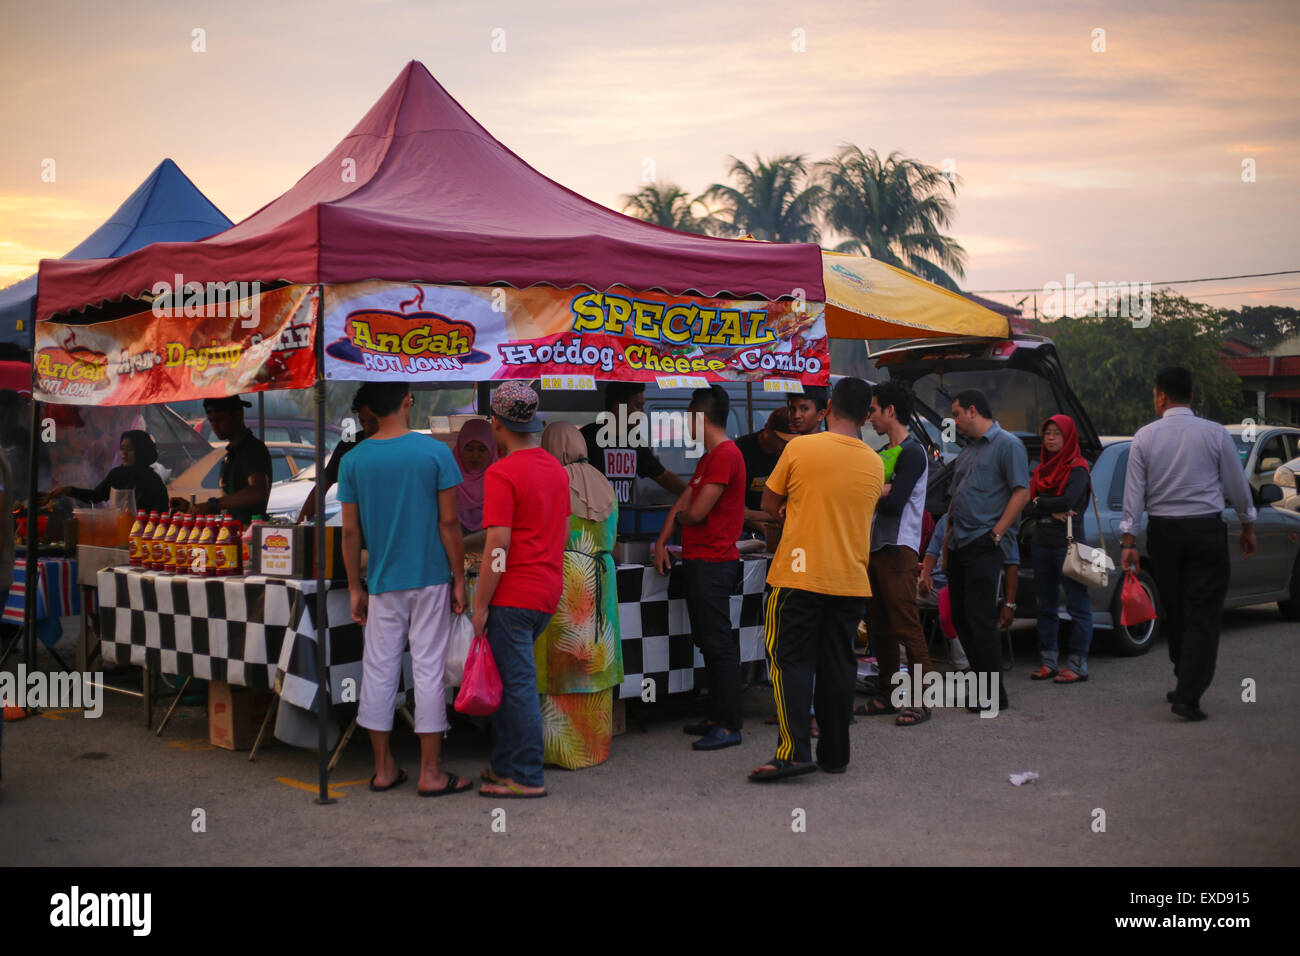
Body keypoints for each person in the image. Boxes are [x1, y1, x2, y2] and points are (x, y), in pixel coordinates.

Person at [338, 382, 471, 797]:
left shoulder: (354, 459)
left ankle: (383, 769)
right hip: (430, 576)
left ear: (370, 411)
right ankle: (431, 772)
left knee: (378, 669)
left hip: (381, 581)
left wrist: (354, 587)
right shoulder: (434, 454)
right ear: (407, 400)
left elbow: (349, 532)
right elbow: (449, 524)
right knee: (429, 669)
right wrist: (460, 577)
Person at [750, 377, 883, 781]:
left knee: (789, 659)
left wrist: (793, 510)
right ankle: (835, 755)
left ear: (826, 410)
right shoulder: (875, 463)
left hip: (798, 576)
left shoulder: (800, 448)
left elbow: (769, 505)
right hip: (849, 580)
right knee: (838, 665)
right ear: (865, 416)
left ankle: (793, 753)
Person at [1119, 367, 1256, 721]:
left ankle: (1185, 680)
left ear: (1161, 396)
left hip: (1164, 535)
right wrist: (1247, 524)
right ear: (1191, 397)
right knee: (1203, 613)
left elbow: (1134, 493)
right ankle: (1188, 693)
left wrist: (1128, 541)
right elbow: (1236, 485)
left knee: (1177, 610)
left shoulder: (1144, 437)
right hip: (1205, 532)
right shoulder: (1214, 434)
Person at [474, 382, 571, 798]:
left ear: (496, 424)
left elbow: (498, 544)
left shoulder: (502, 472)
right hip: (547, 591)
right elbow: (562, 533)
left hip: (513, 595)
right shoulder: (555, 468)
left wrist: (480, 602)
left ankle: (527, 776)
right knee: (515, 681)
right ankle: (504, 767)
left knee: (516, 686)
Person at [653, 386, 747, 751]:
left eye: (688, 416)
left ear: (701, 418)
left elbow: (695, 511)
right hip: (697, 560)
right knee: (708, 642)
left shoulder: (726, 455)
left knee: (719, 643)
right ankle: (716, 714)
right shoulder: (709, 457)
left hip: (714, 563)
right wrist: (662, 540)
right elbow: (684, 501)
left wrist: (679, 521)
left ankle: (729, 724)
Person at [536, 422, 622, 769]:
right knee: (595, 660)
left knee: (564, 664)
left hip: (566, 581)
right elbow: (613, 538)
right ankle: (594, 747)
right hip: (601, 577)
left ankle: (560, 751)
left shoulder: (553, 481)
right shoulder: (604, 483)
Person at [943, 389, 1030, 713]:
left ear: (973, 411)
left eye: (956, 413)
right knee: (961, 618)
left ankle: (993, 694)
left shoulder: (1008, 445)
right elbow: (955, 499)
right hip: (959, 544)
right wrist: (945, 544)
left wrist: (996, 535)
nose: (954, 421)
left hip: (983, 543)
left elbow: (1021, 492)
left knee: (979, 619)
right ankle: (981, 687)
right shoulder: (968, 452)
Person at [860, 381, 932, 725]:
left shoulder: (913, 452)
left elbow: (894, 503)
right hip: (875, 549)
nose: (869, 417)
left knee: (906, 625)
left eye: (873, 410)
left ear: (890, 411)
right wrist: (881, 489)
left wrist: (877, 490)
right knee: (879, 626)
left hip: (899, 548)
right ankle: (888, 696)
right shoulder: (882, 454)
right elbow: (878, 494)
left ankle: (921, 700)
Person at [1023, 415, 1094, 683]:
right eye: (1047, 433)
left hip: (1070, 543)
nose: (1051, 438)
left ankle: (1078, 664)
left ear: (1068, 437)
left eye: (1057, 434)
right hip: (1042, 542)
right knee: (1046, 604)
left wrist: (1041, 502)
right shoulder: (1040, 470)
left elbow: (1069, 499)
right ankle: (1048, 661)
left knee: (1077, 604)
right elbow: (1026, 505)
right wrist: (1048, 506)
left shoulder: (1078, 468)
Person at [580, 381, 687, 504]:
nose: (642, 413)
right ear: (619, 407)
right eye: (638, 406)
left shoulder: (635, 441)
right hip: (594, 521)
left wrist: (695, 496)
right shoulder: (585, 438)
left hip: (626, 518)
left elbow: (663, 477)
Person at [298, 392, 378, 522]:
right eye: (363, 420)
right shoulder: (348, 445)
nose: (367, 427)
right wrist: (300, 524)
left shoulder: (401, 446)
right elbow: (321, 488)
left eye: (373, 421)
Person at [50, 430, 168, 515]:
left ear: (142, 451)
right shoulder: (117, 474)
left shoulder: (153, 480)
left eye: (130, 449)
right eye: (122, 448)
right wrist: (69, 490)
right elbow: (96, 496)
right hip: (119, 533)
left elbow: (161, 512)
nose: (124, 453)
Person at [197, 396, 271, 524]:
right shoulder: (231, 453)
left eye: (220, 419)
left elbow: (258, 491)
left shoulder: (252, 449)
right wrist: (195, 508)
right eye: (211, 420)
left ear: (238, 415)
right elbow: (231, 502)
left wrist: (214, 504)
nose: (215, 426)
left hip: (249, 533)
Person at [734, 407, 795, 531]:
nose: (785, 446)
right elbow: (735, 508)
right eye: (782, 440)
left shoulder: (791, 453)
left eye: (790, 442)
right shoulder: (742, 450)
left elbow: (791, 508)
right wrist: (759, 524)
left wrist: (752, 515)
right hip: (742, 530)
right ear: (767, 429)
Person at [453, 418, 498, 534]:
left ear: (492, 450)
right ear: (459, 448)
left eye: (482, 449)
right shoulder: (448, 478)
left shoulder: (501, 479)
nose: (475, 455)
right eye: (469, 449)